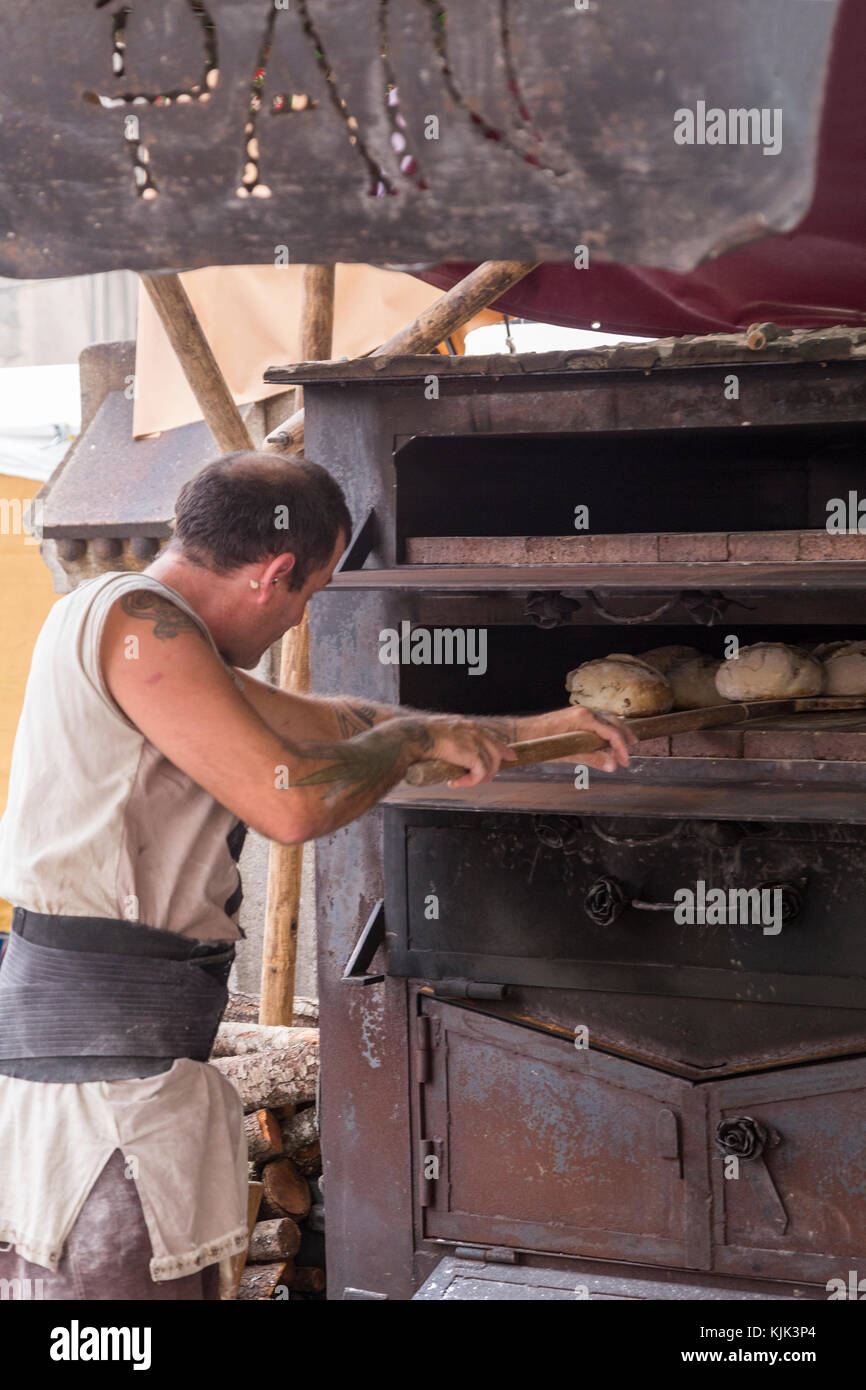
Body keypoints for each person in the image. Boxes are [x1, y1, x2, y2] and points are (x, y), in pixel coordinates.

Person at [0, 450, 632, 1300]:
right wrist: (411, 743)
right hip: (95, 1064)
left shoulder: (149, 628)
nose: (300, 620)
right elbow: (292, 805)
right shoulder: (140, 627)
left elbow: (335, 723)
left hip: (128, 1051)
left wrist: (520, 732)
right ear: (278, 572)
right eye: (312, 594)